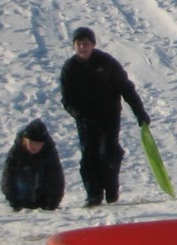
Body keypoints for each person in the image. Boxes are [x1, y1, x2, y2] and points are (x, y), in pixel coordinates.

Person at [60, 27, 150, 207]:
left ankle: (111, 191)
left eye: (86, 43)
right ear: (74, 46)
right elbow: (67, 99)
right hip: (86, 120)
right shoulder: (70, 68)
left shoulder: (107, 62)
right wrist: (79, 115)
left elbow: (126, 88)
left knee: (108, 153)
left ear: (92, 45)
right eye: (79, 44)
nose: (82, 47)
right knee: (89, 156)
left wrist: (140, 112)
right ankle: (93, 195)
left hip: (109, 116)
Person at [2, 119, 64, 212]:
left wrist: (53, 203)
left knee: (44, 174)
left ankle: (43, 201)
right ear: (25, 141)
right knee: (23, 175)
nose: (34, 147)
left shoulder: (49, 152)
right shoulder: (17, 151)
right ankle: (23, 203)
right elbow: (8, 176)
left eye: (38, 144)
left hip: (43, 196)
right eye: (31, 143)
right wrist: (13, 201)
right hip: (22, 194)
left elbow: (56, 178)